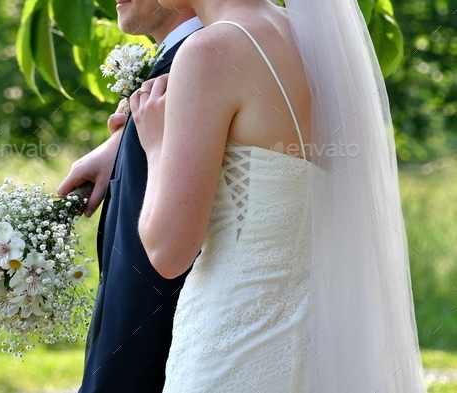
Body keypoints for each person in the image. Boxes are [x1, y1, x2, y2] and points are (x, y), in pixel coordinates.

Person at [131, 0, 427, 391]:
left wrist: (155, 145)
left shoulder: (210, 52)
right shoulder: (316, 45)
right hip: (325, 342)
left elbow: (168, 251)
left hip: (235, 346)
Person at [58, 2, 203, 392]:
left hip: (150, 350)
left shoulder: (200, 65)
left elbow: (159, 262)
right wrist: (120, 144)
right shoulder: (173, 65)